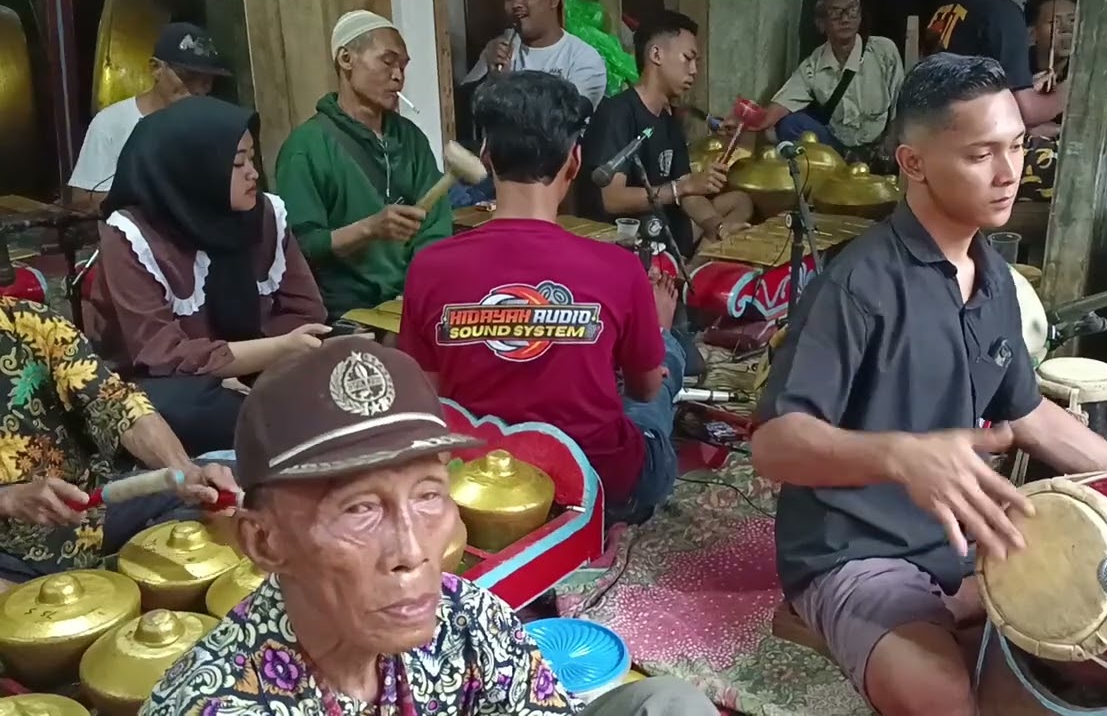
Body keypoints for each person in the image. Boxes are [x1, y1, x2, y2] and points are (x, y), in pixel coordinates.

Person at [750, 54, 1107, 716]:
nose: (1008, 172)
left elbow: (1028, 415)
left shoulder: (992, 280)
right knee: (949, 703)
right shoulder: (858, 286)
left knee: (1094, 663)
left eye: (1017, 145)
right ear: (913, 163)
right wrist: (899, 456)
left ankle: (933, 613)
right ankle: (818, 607)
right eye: (980, 154)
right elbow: (774, 445)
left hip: (957, 550)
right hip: (855, 550)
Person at [141, 339, 719, 715]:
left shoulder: (466, 616)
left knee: (670, 705)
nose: (414, 552)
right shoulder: (214, 705)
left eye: (427, 496)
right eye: (359, 509)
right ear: (264, 541)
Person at [401, 71, 685, 524]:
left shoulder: (428, 267)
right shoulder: (618, 267)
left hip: (484, 487)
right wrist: (657, 330)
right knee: (667, 362)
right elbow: (644, 388)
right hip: (601, 487)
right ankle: (666, 339)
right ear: (574, 161)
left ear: (487, 157)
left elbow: (429, 397)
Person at [85, 96, 329, 456]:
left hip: (261, 367)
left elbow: (305, 311)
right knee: (178, 410)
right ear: (194, 169)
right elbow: (160, 353)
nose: (254, 173)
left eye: (252, 158)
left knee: (342, 373)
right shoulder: (133, 236)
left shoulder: (264, 215)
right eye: (237, 163)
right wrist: (247, 360)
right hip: (168, 382)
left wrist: (265, 363)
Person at [0, 296, 238, 584]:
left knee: (242, 491)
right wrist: (8, 499)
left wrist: (182, 471)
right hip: (9, 554)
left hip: (92, 514)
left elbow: (116, 402)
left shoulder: (29, 323)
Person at [275, 10, 451, 321]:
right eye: (388, 60)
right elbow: (299, 246)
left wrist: (418, 286)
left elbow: (435, 226)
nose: (398, 75)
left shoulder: (411, 140)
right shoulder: (306, 147)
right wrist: (369, 228)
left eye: (403, 66)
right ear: (346, 59)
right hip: (345, 313)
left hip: (410, 300)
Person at [579, 10, 752, 258]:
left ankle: (694, 270)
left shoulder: (667, 118)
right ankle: (692, 274)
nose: (694, 70)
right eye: (687, 58)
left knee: (740, 202)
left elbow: (689, 193)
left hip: (667, 226)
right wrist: (679, 188)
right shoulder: (617, 112)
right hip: (629, 239)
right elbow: (612, 199)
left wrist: (718, 227)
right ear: (656, 55)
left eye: (696, 62)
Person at [67, 23, 230, 212]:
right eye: (189, 76)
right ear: (156, 68)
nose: (199, 89)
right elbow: (81, 202)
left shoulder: (215, 124)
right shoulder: (111, 123)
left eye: (207, 80)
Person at [733, 0, 905, 163]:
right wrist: (744, 123)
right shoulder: (813, 66)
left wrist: (890, 143)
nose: (845, 18)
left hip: (879, 147)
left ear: (860, 16)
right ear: (821, 23)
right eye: (835, 12)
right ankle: (840, 163)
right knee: (790, 124)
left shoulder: (884, 51)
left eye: (852, 10)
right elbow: (781, 105)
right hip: (838, 149)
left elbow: (902, 103)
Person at [925, 0, 1065, 132]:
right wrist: (1072, 91)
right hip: (970, 138)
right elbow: (1025, 111)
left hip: (937, 130)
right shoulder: (1003, 13)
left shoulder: (947, 6)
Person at [464, 0, 609, 108]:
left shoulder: (583, 58)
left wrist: (505, 86)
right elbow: (465, 106)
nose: (516, 4)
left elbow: (561, 119)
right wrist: (491, 80)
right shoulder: (498, 50)